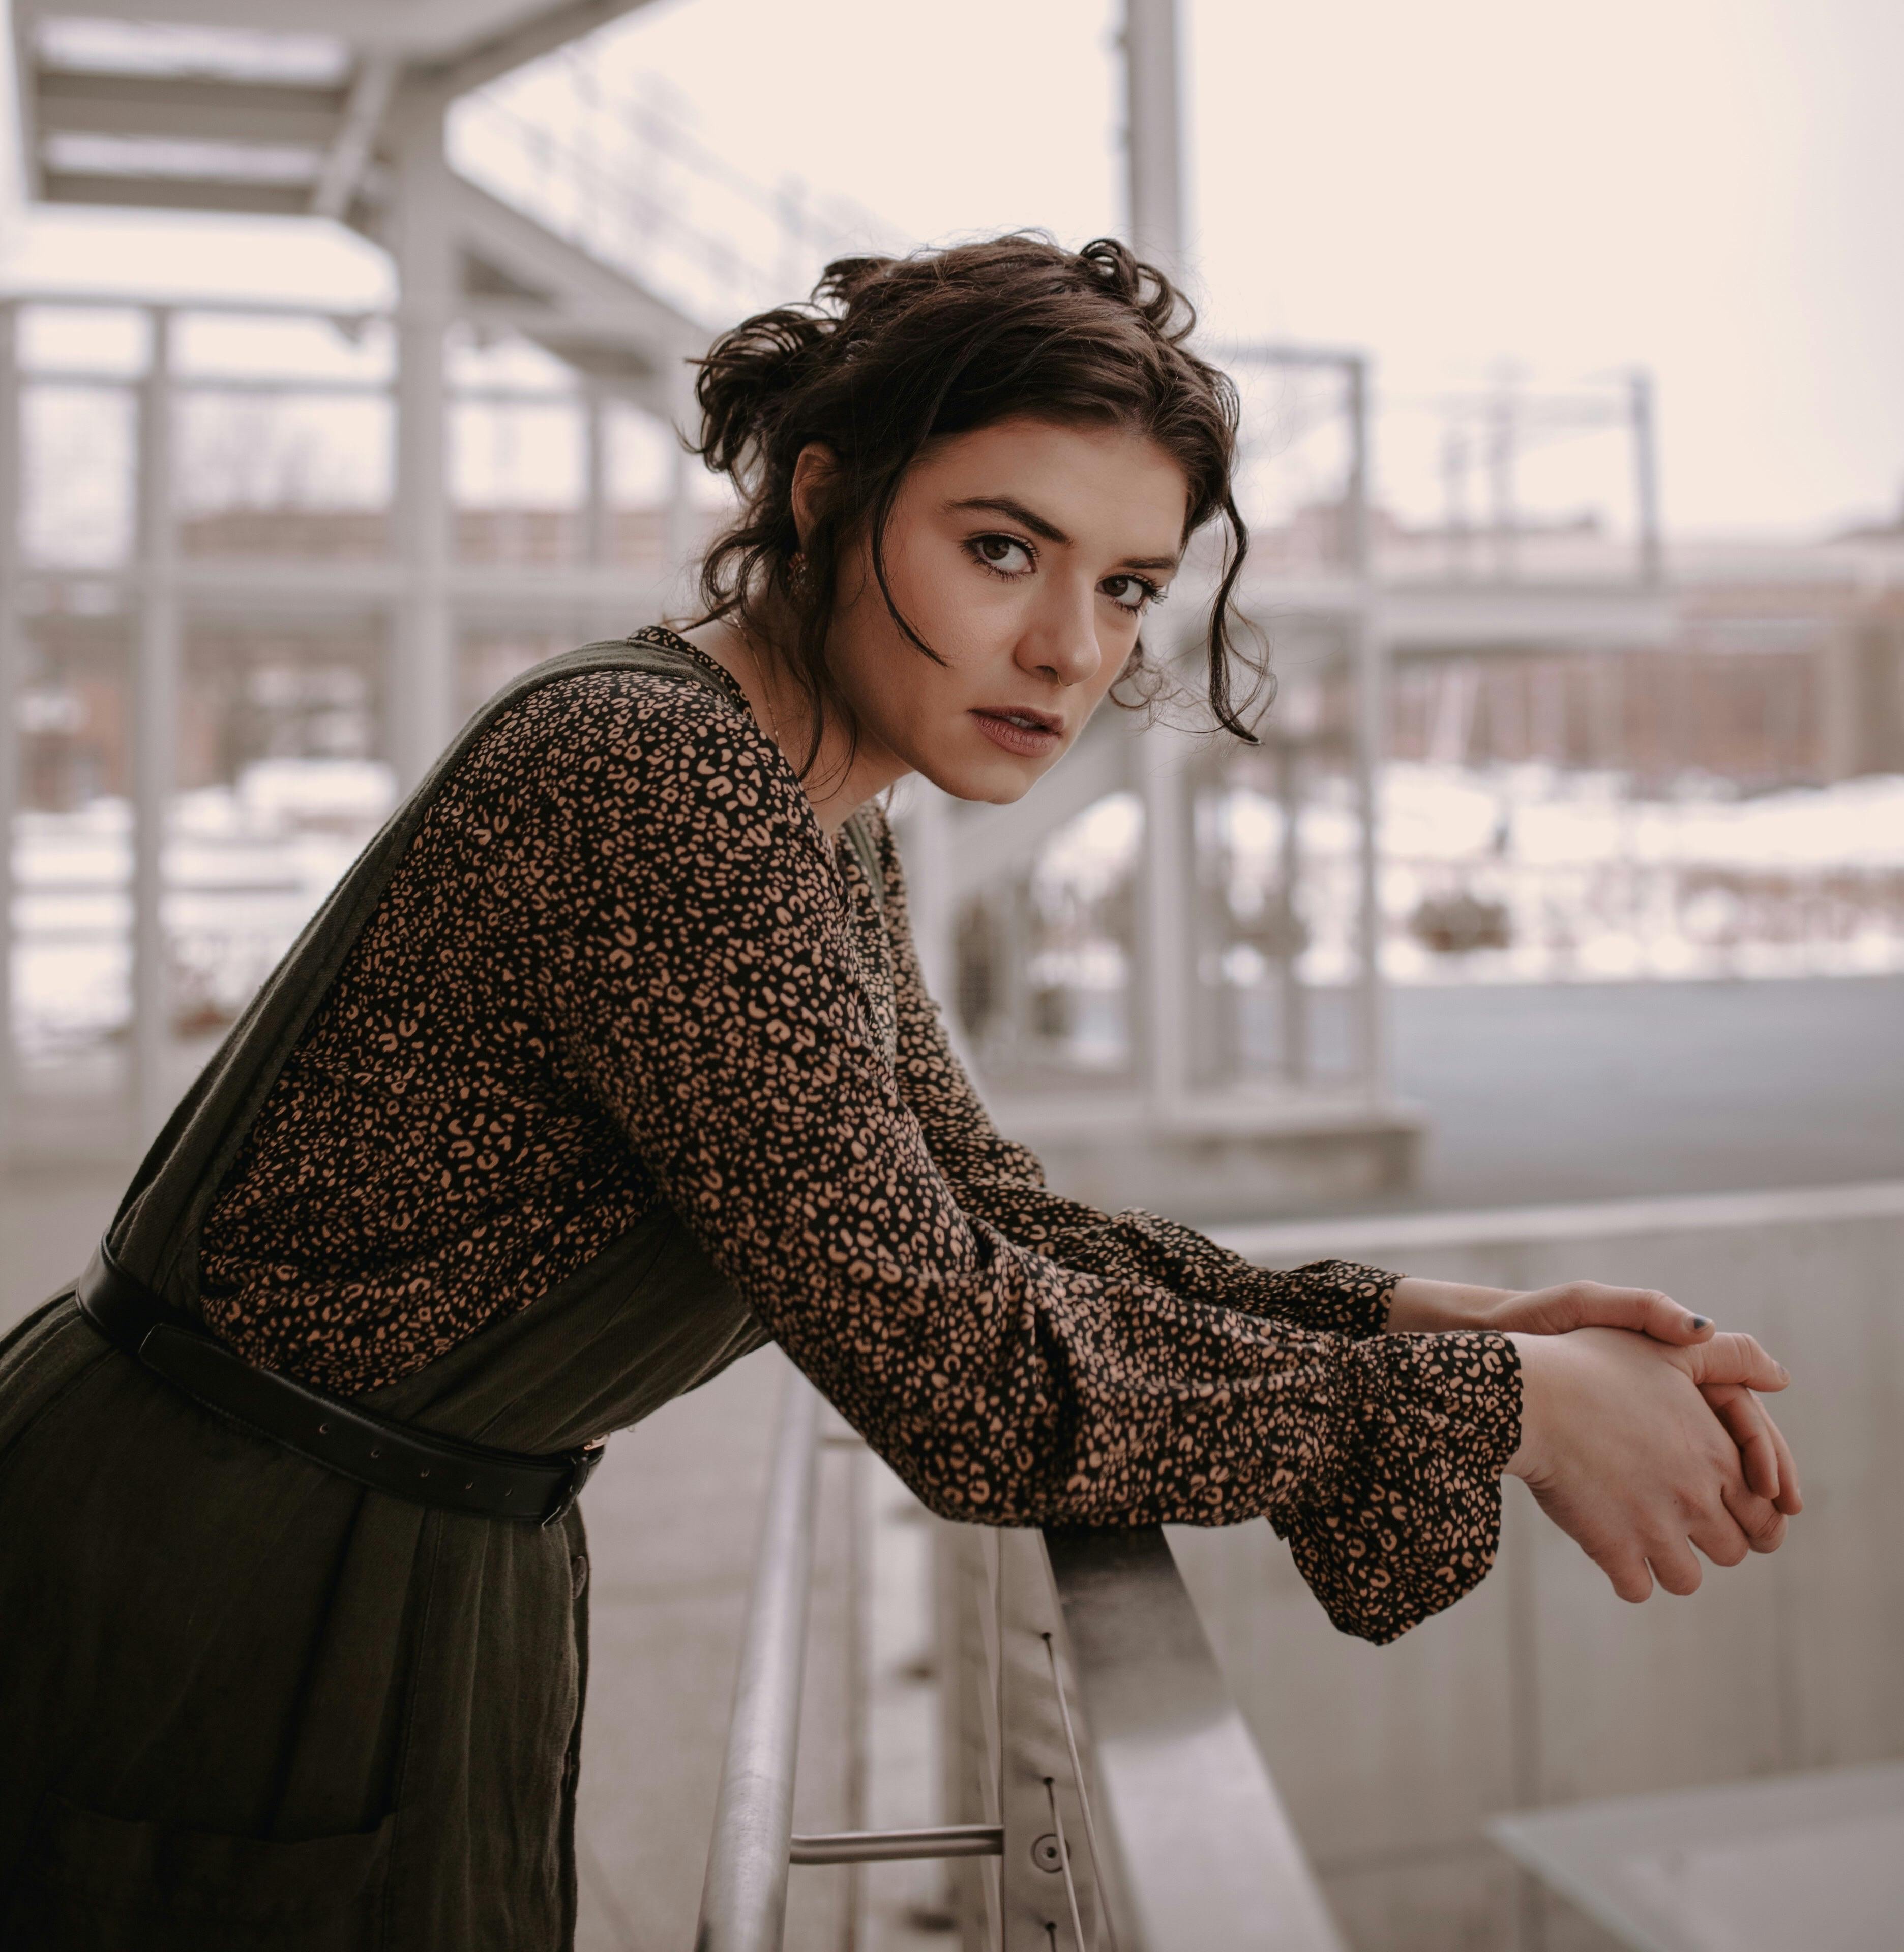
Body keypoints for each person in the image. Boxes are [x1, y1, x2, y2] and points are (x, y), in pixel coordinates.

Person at [0, 236, 1798, 1950]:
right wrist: (1498, 1407)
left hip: (367, 1564)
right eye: (1002, 550)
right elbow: (963, 1374)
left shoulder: (808, 806)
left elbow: (975, 1206)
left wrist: (1416, 1317)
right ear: (823, 496)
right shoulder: (659, 777)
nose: (1071, 651)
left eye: (1127, 587)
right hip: (209, 1588)